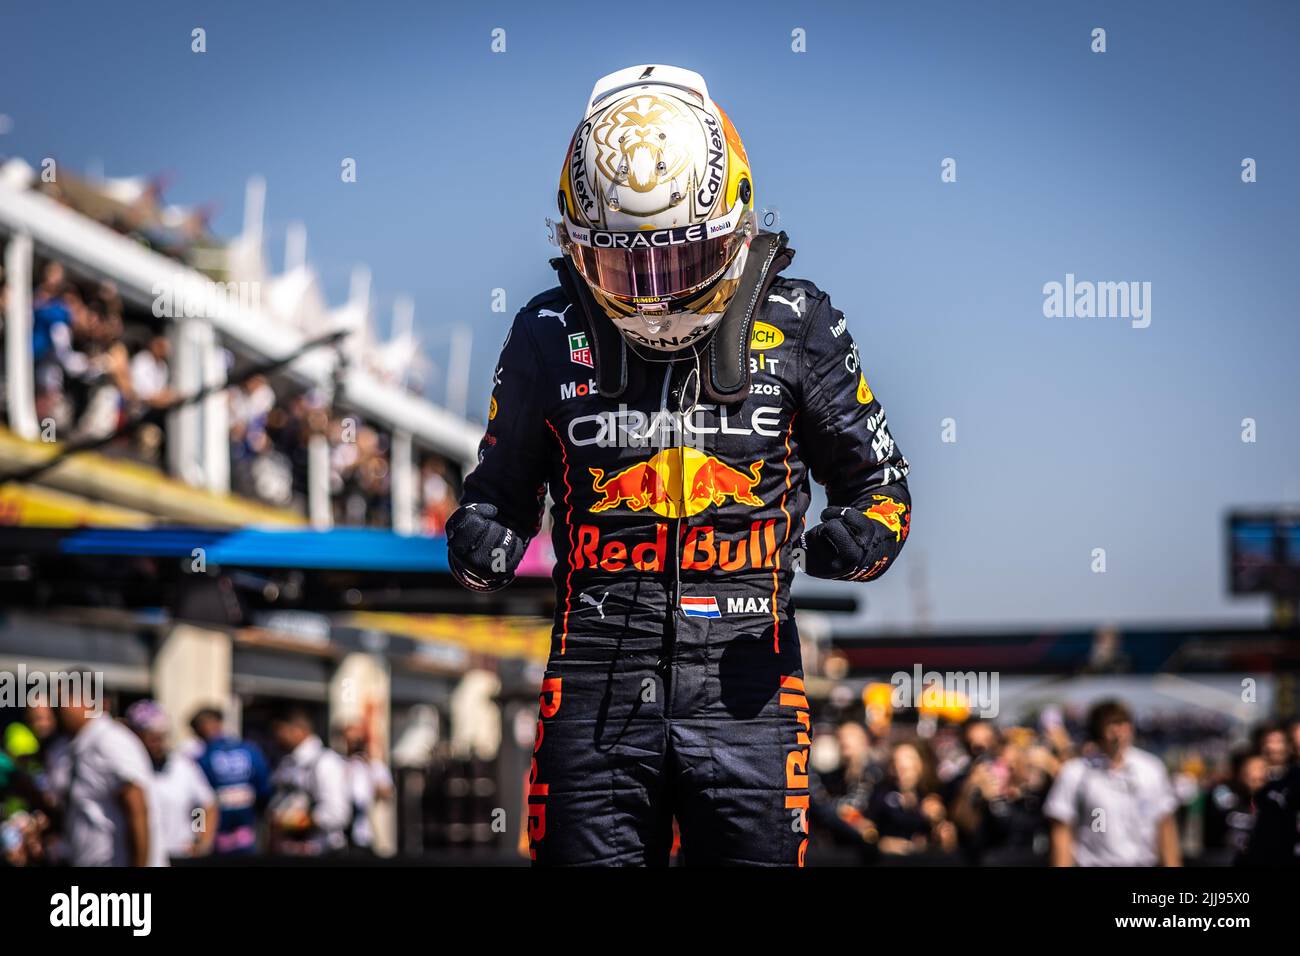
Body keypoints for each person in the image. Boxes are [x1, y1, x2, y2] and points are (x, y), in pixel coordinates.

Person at [445, 64, 911, 866]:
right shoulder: (544, 332)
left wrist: (858, 538)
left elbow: (883, 489)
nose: (656, 295)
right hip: (593, 677)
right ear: (577, 243)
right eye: (632, 268)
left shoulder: (800, 321)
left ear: (733, 223)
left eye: (679, 262)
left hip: (749, 685)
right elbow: (496, 497)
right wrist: (478, 536)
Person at [1043, 699, 1180, 867]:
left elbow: (1165, 825)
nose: (1119, 732)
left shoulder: (1151, 769)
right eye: (1111, 724)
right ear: (1097, 731)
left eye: (1123, 723)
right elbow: (1062, 830)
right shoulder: (1075, 773)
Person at [54, 690, 166, 867]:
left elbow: (137, 808)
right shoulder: (74, 745)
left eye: (63, 700)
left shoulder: (109, 740)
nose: (57, 708)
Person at [125, 701, 217, 861]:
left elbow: (203, 805)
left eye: (161, 737)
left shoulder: (183, 766)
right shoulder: (127, 768)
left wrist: (199, 837)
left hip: (179, 855)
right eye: (152, 738)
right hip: (143, 857)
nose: (158, 743)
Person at [266, 707, 350, 856]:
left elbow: (338, 813)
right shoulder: (287, 762)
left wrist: (300, 820)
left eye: (282, 730)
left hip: (321, 851)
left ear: (298, 730)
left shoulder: (326, 761)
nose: (278, 736)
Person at [190, 706, 272, 856]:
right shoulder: (249, 748)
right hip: (245, 834)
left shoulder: (201, 758)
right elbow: (264, 790)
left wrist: (198, 835)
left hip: (221, 838)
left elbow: (197, 805)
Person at [339, 722, 394, 853]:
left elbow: (387, 792)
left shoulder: (374, 766)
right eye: (349, 741)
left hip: (366, 831)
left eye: (357, 741)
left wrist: (369, 769)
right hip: (342, 834)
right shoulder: (339, 763)